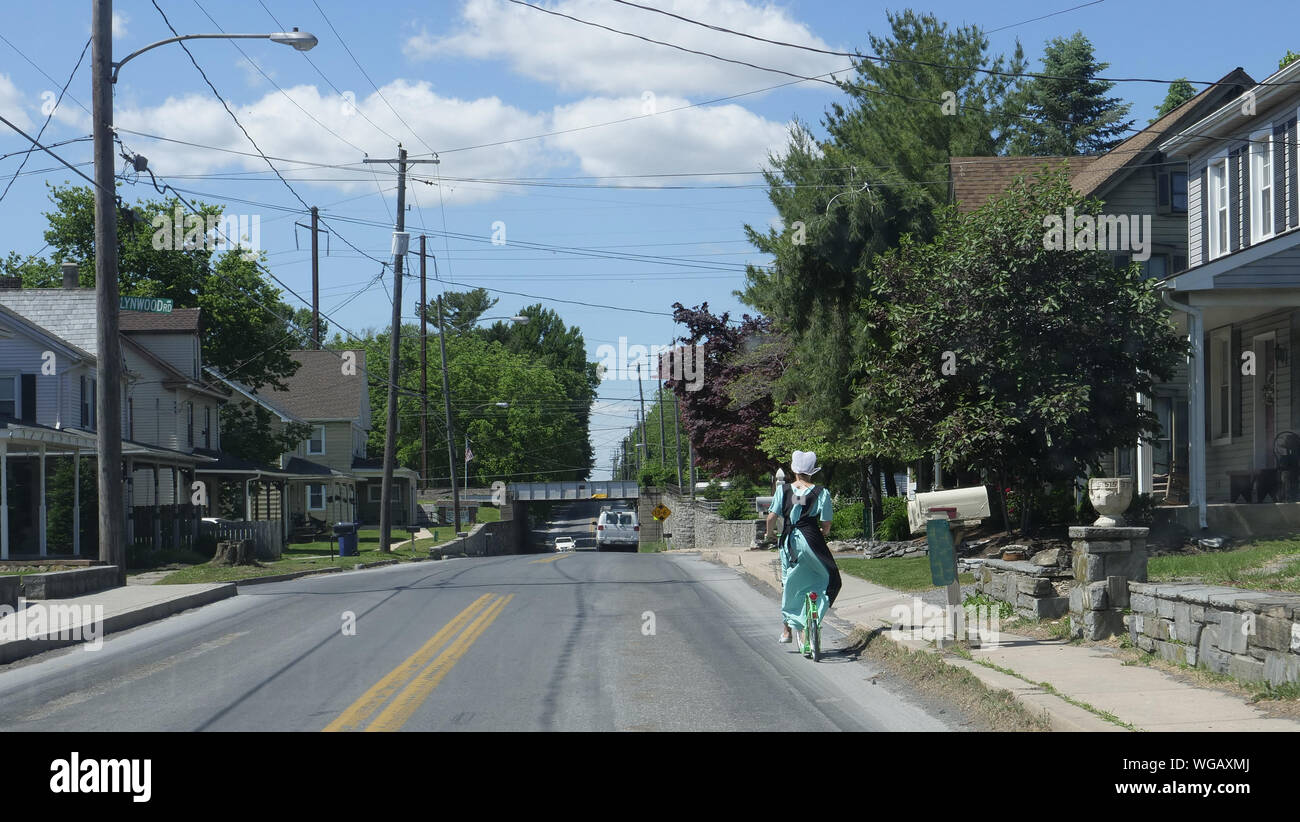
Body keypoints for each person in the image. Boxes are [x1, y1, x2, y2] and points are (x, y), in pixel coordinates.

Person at [764, 450, 842, 650]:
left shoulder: (784, 491)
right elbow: (826, 523)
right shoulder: (821, 492)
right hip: (812, 539)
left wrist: (770, 535)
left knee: (788, 581)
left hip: (790, 541)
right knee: (830, 577)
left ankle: (787, 630)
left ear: (794, 470)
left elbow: (771, 518)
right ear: (812, 472)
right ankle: (812, 622)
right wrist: (823, 533)